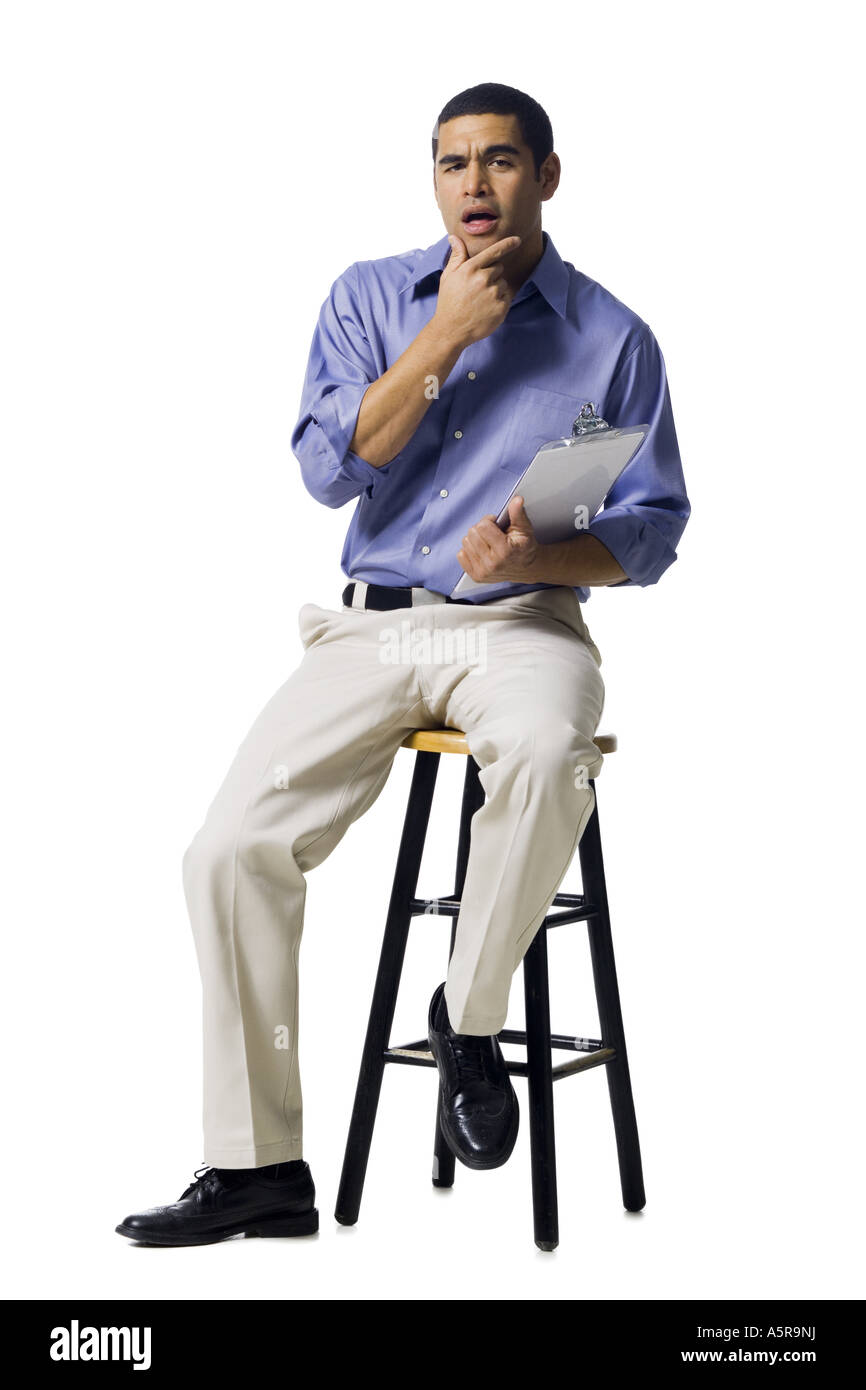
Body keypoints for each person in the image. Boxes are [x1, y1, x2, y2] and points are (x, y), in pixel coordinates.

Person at [116, 81, 690, 1246]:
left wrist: (547, 545)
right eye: (450, 163)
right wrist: (444, 339)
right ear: (432, 179)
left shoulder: (610, 338)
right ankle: (258, 1166)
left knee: (541, 749)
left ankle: (467, 1019)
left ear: (546, 174)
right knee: (226, 849)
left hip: (524, 623)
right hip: (373, 626)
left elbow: (648, 536)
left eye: (498, 161)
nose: (473, 185)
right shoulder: (370, 299)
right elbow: (333, 472)